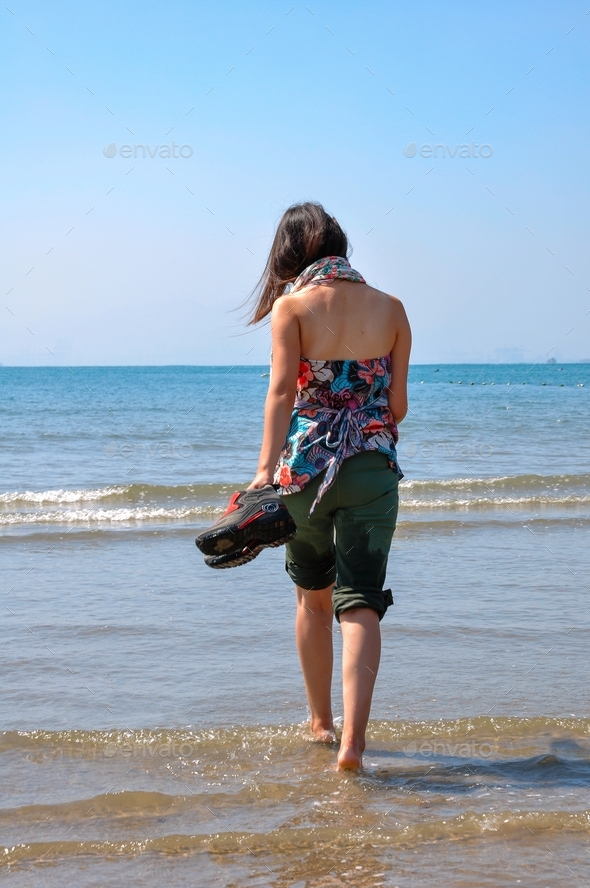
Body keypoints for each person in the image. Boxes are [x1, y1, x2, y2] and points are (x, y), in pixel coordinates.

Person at [247, 202, 411, 769]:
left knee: (312, 600)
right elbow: (398, 408)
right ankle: (354, 743)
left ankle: (320, 723)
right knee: (360, 601)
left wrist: (264, 473)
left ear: (291, 254)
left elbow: (280, 395)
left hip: (306, 473)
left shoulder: (291, 307)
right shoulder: (392, 309)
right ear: (341, 247)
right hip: (371, 468)